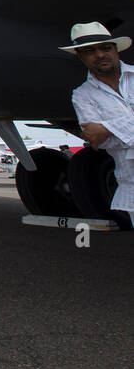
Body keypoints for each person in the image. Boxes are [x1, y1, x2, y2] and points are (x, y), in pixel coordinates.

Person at [64, 22, 134, 225]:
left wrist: (106, 128)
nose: (100, 55)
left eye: (105, 48)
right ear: (80, 56)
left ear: (116, 49)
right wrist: (106, 134)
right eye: (90, 51)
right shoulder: (82, 95)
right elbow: (99, 143)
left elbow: (102, 135)